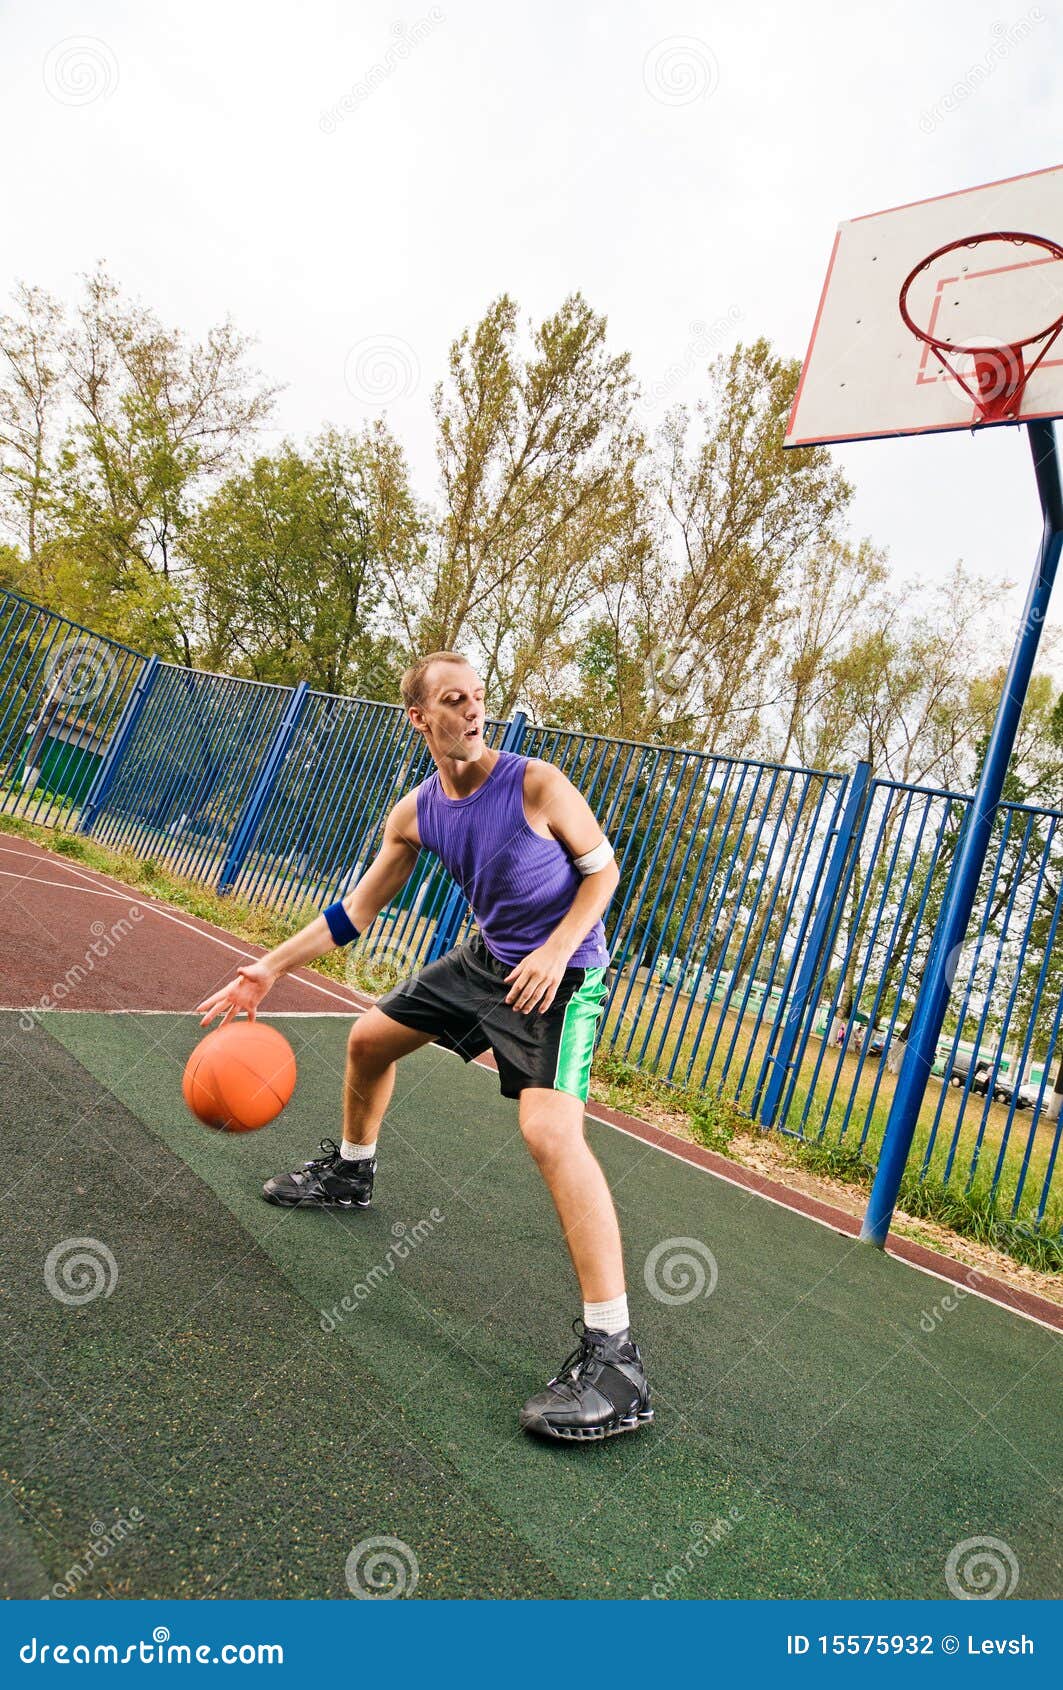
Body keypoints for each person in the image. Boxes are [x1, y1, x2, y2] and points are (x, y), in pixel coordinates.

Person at [196, 652, 653, 1442]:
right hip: (486, 961)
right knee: (368, 1040)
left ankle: (616, 1364)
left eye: (478, 697)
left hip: (560, 976)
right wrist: (266, 967)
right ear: (419, 717)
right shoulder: (414, 813)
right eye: (453, 700)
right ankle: (350, 1172)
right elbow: (354, 914)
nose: (474, 711)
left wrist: (555, 951)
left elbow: (603, 872)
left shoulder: (536, 782)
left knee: (549, 1132)